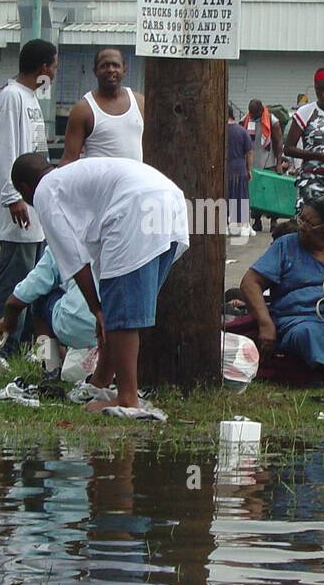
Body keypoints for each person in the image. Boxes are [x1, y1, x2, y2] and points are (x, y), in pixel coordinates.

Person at [10, 153, 189, 412]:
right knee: (121, 310)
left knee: (120, 316)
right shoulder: (74, 183)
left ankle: (127, 397)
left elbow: (74, 261)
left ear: (25, 189)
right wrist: (101, 307)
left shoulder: (45, 192)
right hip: (170, 200)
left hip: (134, 208)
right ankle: (101, 381)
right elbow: (97, 266)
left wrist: (96, 308)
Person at [239, 195, 324, 380]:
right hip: (298, 322)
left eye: (309, 223)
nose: (302, 226)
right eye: (301, 218)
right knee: (307, 334)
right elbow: (250, 282)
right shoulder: (286, 246)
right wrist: (265, 323)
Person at [0, 39, 56, 357]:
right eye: (54, 65)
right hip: (20, 205)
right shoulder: (11, 97)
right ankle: (0, 346)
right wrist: (13, 196)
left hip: (35, 204)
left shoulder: (30, 98)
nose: (54, 72)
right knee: (14, 275)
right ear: (43, 68)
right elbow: (4, 150)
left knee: (33, 278)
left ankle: (24, 344)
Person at [0, 243, 98, 364]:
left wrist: (8, 322)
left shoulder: (63, 240)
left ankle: (50, 365)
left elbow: (19, 298)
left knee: (40, 296)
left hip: (74, 326)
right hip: (115, 331)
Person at [60, 47, 145, 163]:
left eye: (115, 65)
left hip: (133, 180)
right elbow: (69, 158)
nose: (110, 70)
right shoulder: (83, 109)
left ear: (125, 70)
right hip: (98, 181)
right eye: (104, 66)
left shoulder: (140, 102)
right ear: (95, 71)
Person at [285, 69, 324, 212]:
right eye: (319, 90)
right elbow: (288, 148)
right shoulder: (305, 112)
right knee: (311, 225)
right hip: (312, 179)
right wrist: (321, 157)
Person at [240, 99, 283, 231]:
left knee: (271, 193)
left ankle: (274, 222)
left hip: (268, 162)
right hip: (252, 162)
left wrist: (279, 163)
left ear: (261, 111)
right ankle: (257, 220)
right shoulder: (246, 119)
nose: (251, 115)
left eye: (254, 113)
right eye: (250, 113)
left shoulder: (272, 120)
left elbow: (278, 142)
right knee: (255, 193)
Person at [226, 104, 253, 234]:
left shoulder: (218, 131)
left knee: (225, 196)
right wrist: (249, 169)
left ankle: (224, 225)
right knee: (241, 196)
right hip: (240, 168)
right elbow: (249, 152)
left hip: (224, 169)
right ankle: (242, 227)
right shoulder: (242, 131)